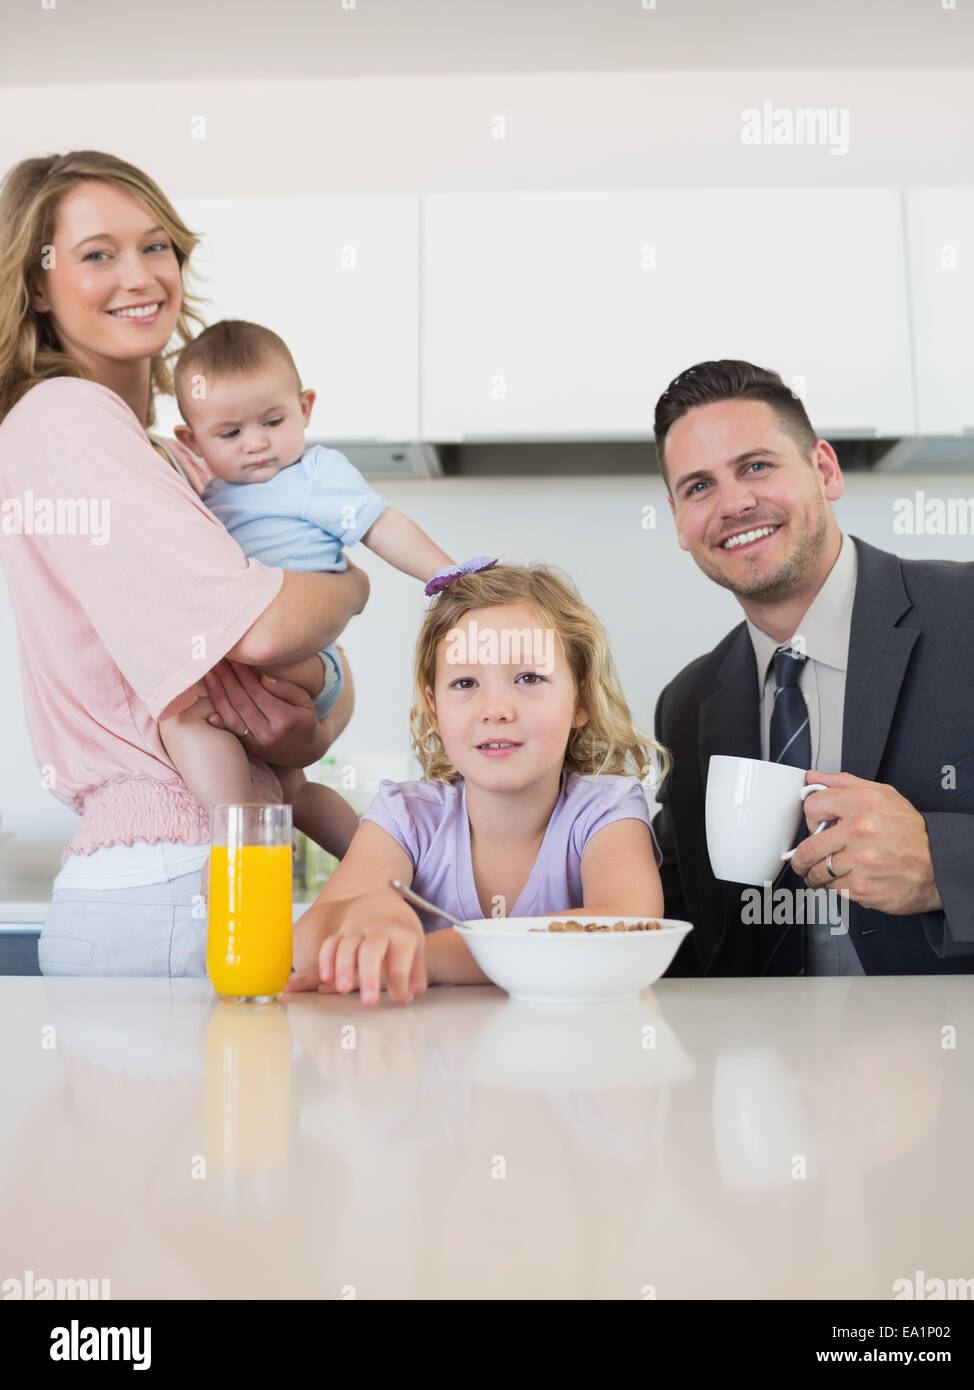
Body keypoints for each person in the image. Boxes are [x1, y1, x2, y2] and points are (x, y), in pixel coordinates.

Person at [0, 149, 368, 975]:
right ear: (35, 284)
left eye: (157, 246)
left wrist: (316, 703)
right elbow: (270, 629)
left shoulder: (157, 448)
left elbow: (297, 689)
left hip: (195, 871)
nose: (140, 275)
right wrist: (352, 584)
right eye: (97, 254)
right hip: (172, 876)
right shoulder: (68, 416)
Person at [650, 359, 974, 976]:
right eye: (698, 487)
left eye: (756, 465)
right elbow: (673, 922)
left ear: (825, 470)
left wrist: (943, 865)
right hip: (762, 1063)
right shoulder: (686, 703)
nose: (733, 502)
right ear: (679, 522)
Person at [287, 562, 667, 1002]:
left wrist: (422, 957)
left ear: (580, 699)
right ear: (435, 708)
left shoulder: (607, 810)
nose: (496, 709)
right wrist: (362, 913)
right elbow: (306, 946)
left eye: (529, 678)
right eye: (465, 682)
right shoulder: (408, 815)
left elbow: (624, 929)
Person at [160, 318, 454, 874]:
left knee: (183, 714)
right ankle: (397, 875)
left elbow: (381, 525)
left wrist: (448, 575)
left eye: (273, 420)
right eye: (230, 434)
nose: (257, 443)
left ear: (305, 408)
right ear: (191, 441)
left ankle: (242, 842)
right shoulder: (206, 501)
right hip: (267, 679)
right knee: (293, 792)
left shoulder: (314, 476)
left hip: (307, 663)